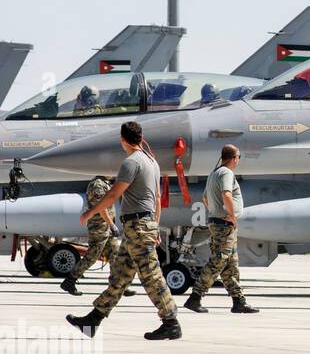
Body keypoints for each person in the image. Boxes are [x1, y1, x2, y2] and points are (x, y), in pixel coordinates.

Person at [65, 121, 182, 340]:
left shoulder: (131, 162)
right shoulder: (152, 162)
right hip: (141, 226)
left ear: (122, 139)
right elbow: (157, 199)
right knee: (120, 275)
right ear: (140, 137)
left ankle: (171, 322)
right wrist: (155, 225)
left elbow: (113, 195)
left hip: (137, 227)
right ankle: (93, 320)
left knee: (151, 275)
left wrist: (89, 213)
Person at [184, 145, 258, 315]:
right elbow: (226, 194)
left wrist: (215, 211)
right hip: (225, 225)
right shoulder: (226, 173)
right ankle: (195, 297)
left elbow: (204, 197)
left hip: (219, 223)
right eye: (239, 157)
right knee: (218, 261)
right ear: (233, 158)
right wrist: (231, 215)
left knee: (230, 264)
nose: (239, 160)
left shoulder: (214, 173)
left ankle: (238, 301)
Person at [61, 175, 119, 296]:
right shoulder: (97, 185)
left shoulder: (106, 182)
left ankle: (117, 284)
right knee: (92, 256)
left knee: (115, 253)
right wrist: (112, 224)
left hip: (106, 227)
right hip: (98, 227)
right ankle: (69, 281)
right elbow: (101, 208)